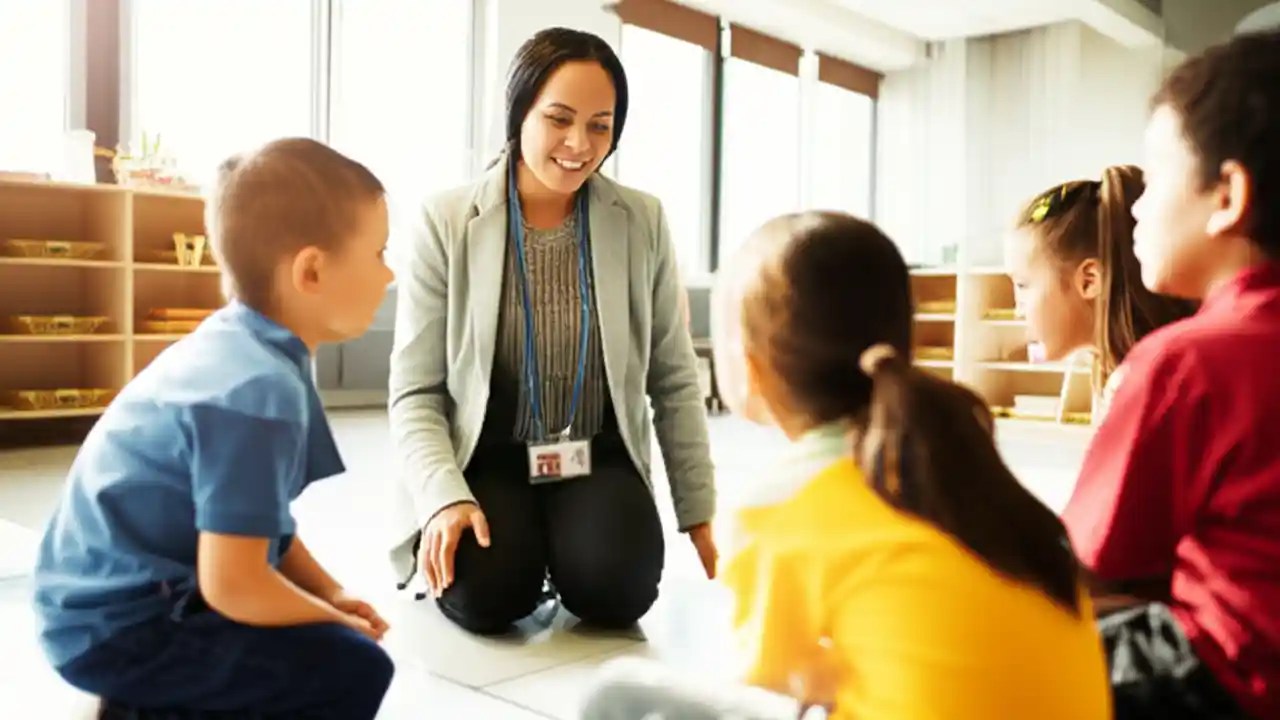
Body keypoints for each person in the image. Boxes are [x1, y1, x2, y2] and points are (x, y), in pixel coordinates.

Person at [580, 212, 1110, 720]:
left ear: (748, 365)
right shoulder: (959, 467)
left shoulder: (779, 509)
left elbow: (766, 676)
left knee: (617, 694)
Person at [31, 138, 396, 718]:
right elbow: (235, 584)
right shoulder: (257, 393)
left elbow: (259, 525)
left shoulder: (240, 346)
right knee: (354, 666)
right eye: (378, 253)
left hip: (91, 604)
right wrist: (337, 621)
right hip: (116, 630)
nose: (388, 272)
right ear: (311, 269)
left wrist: (329, 590)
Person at [387, 27, 716, 635]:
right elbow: (416, 392)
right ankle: (527, 553)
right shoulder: (447, 219)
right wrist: (442, 496)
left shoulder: (641, 219)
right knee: (485, 595)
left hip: (593, 452)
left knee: (618, 590)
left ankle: (564, 551)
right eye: (558, 118)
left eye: (600, 124)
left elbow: (672, 377)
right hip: (487, 456)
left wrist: (698, 508)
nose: (578, 143)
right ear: (519, 115)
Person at [1061, 29, 1280, 720]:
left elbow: (1091, 560)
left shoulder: (1184, 361)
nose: (1133, 205)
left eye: (1153, 180)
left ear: (1228, 195)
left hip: (1229, 683)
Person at [1004, 165, 1195, 421]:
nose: (1018, 310)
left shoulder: (1135, 387)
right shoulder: (1119, 375)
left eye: (1023, 285)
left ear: (1089, 280)